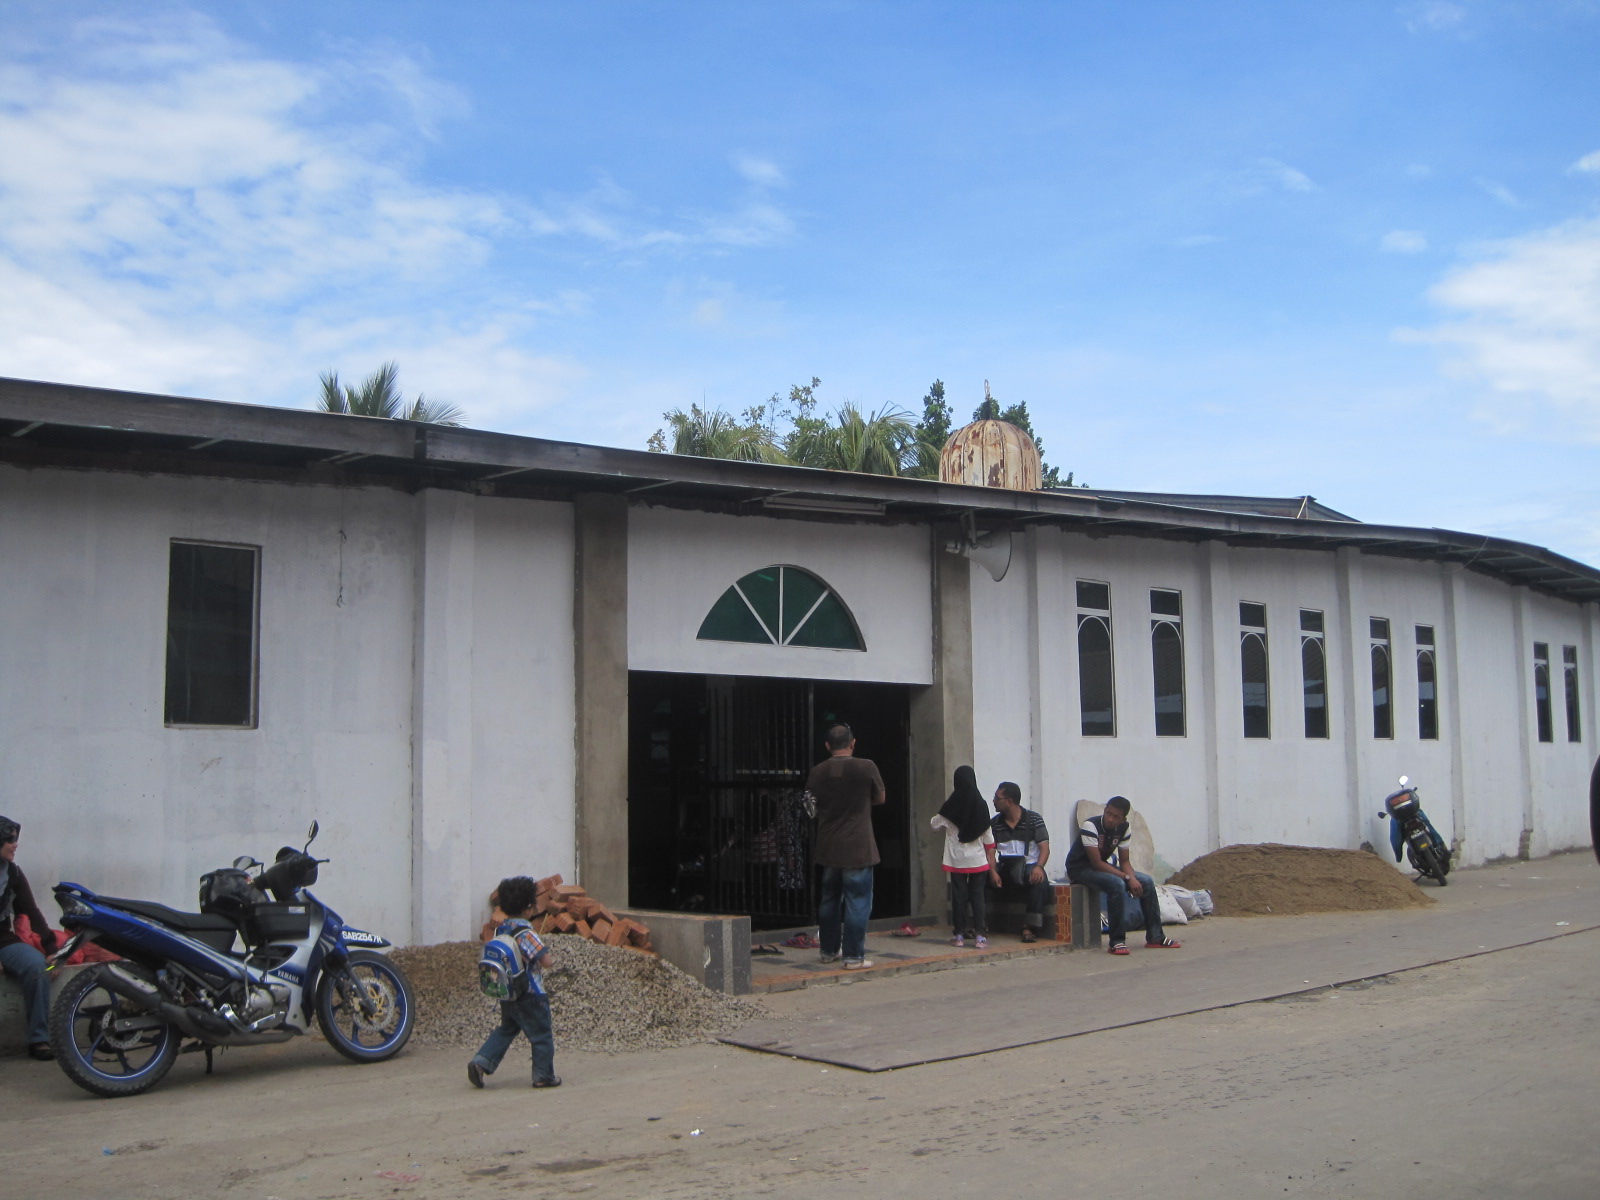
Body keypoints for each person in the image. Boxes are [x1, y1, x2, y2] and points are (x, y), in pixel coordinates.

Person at [805, 723, 886, 970]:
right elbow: (881, 798)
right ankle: (853, 956)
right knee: (858, 901)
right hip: (858, 847)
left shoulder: (817, 771)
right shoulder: (866, 767)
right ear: (853, 743)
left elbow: (809, 807)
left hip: (828, 846)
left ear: (828, 746)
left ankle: (828, 950)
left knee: (829, 900)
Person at [467, 875, 560, 1089]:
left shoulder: (501, 930)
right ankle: (543, 1075)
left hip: (508, 992)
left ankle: (481, 1062)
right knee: (541, 1034)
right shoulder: (526, 933)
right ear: (529, 907)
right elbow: (546, 962)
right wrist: (549, 957)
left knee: (507, 1029)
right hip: (531, 993)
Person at [1065, 796, 1181, 955]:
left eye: (1116, 817)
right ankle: (1117, 941)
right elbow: (1097, 863)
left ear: (1123, 819)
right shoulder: (1090, 826)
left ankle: (1155, 936)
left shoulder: (1124, 828)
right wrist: (1126, 878)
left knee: (1146, 881)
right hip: (1080, 869)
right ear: (1105, 810)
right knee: (1117, 884)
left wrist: (1132, 878)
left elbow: (1125, 861)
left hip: (1102, 868)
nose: (1110, 819)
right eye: (1108, 813)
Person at [0, 816, 58, 1061]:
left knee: (39, 968)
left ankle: (39, 1040)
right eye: (10, 840)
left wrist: (51, 948)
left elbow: (31, 911)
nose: (15, 845)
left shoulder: (12, 872)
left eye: (16, 839)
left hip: (3, 939)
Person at [930, 766, 999, 947]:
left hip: (956, 859)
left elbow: (934, 824)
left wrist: (944, 818)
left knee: (958, 896)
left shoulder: (951, 805)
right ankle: (980, 936)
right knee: (978, 897)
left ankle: (959, 935)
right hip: (977, 859)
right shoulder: (981, 805)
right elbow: (988, 838)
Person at [989, 783, 1051, 943]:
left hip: (1027, 865)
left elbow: (1044, 848)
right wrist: (992, 871)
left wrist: (1039, 867)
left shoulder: (1034, 819)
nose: (994, 801)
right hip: (1004, 866)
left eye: (997, 798)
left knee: (1039, 880)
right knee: (979, 876)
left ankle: (1030, 927)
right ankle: (979, 925)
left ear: (1009, 801)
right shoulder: (994, 823)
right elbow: (990, 850)